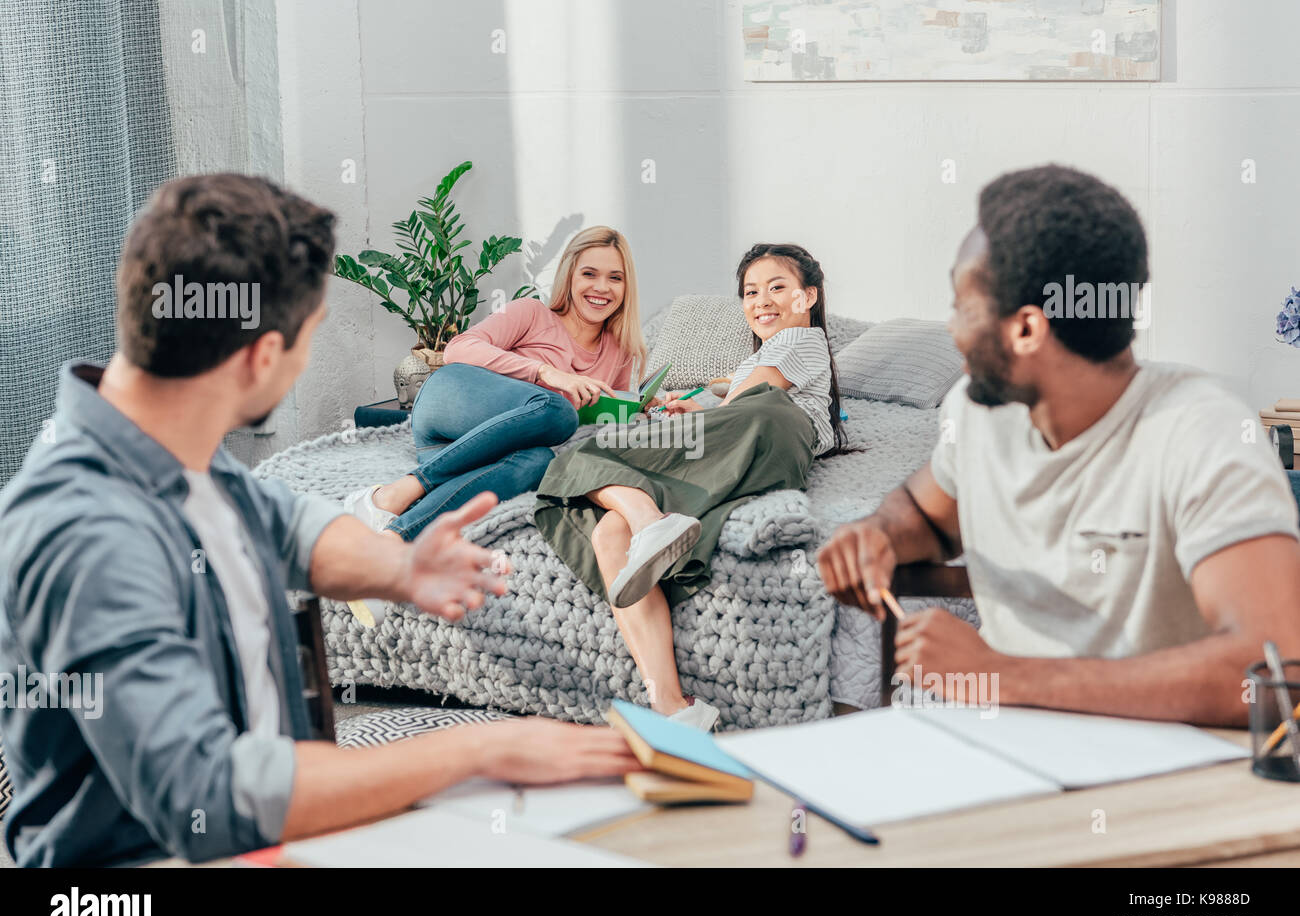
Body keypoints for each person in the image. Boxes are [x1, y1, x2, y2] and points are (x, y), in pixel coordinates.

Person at [0, 174, 639, 867]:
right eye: (307, 339)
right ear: (261, 356)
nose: (305, 359)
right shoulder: (88, 533)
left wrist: (400, 566)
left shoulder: (168, 449)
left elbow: (293, 526)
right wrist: (480, 746)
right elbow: (207, 795)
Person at [817, 164, 1300, 725]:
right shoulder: (979, 411)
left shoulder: (1202, 433)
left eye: (963, 307)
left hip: (1159, 773)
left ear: (1026, 330)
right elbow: (926, 517)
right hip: (1009, 747)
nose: (951, 329)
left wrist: (1001, 675)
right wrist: (877, 536)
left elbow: (1276, 668)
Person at [534, 243, 847, 731]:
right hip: (764, 454)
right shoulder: (775, 357)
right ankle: (673, 707)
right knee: (609, 536)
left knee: (583, 455)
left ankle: (649, 521)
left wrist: (703, 409)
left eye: (777, 288)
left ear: (808, 298)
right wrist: (700, 402)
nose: (761, 300)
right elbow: (737, 387)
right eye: (750, 291)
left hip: (763, 428)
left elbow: (750, 397)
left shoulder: (799, 341)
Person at [342, 227, 644, 625]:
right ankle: (403, 489)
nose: (601, 287)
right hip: (449, 405)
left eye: (615, 278)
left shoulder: (619, 352)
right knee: (556, 411)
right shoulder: (531, 313)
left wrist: (647, 407)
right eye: (589, 273)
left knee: (539, 461)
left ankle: (391, 537)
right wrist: (546, 372)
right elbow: (459, 349)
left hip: (477, 453)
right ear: (570, 275)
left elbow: (605, 419)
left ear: (626, 287)